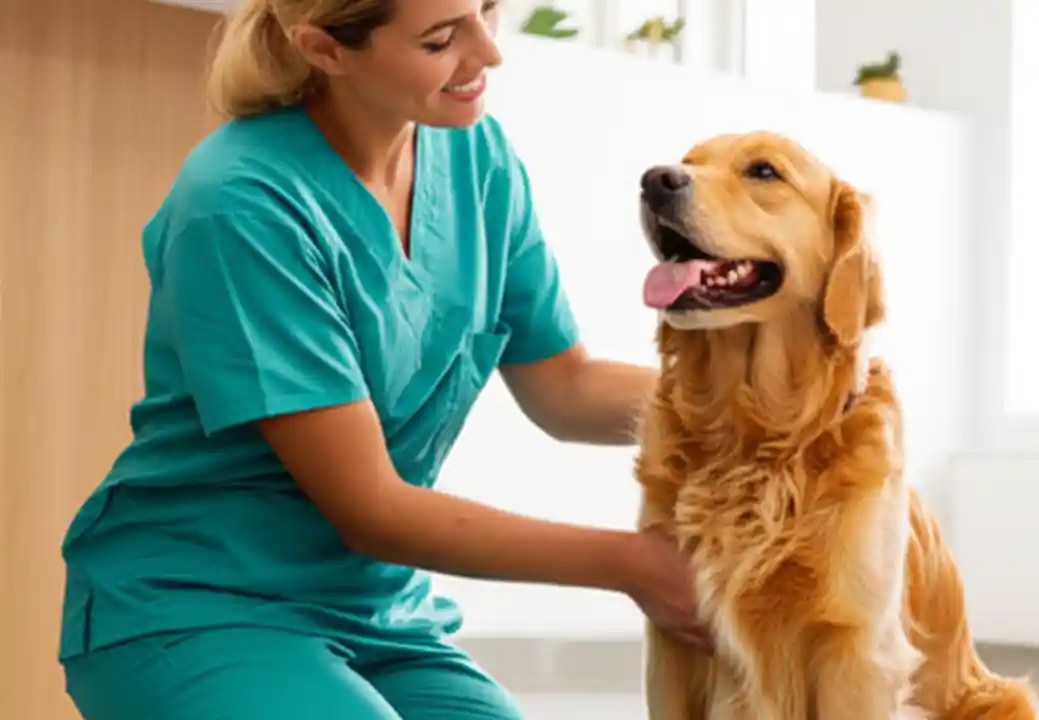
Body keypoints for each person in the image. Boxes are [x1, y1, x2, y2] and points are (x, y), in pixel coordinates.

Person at [57, 1, 708, 717]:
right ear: (326, 50)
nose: (489, 52)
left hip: (376, 608)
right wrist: (634, 565)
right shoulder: (242, 203)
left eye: (488, 8)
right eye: (440, 38)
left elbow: (565, 387)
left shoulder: (477, 157)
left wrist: (763, 415)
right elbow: (369, 508)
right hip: (196, 601)